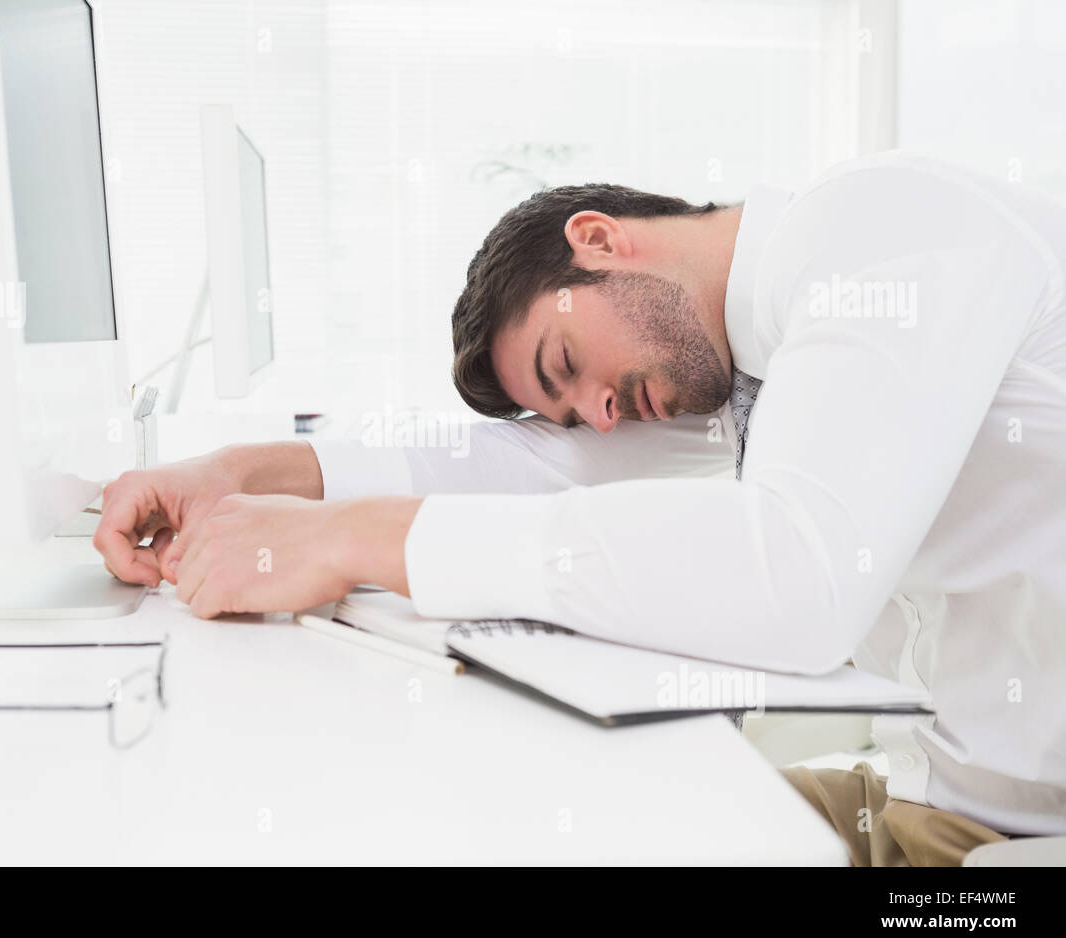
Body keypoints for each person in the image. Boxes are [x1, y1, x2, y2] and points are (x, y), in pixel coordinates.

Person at [94, 152, 1066, 864]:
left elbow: (803, 576)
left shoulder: (881, 232)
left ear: (597, 239)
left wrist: (355, 538)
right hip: (932, 804)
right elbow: (536, 466)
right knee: (542, 826)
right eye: (572, 406)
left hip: (1010, 847)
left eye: (568, 367)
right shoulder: (750, 358)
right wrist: (240, 471)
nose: (600, 415)